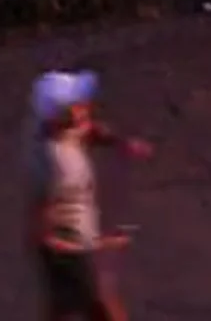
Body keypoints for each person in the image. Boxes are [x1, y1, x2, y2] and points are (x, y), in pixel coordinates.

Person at [25, 69, 153, 320]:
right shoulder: (53, 164)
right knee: (102, 308)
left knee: (65, 308)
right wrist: (93, 246)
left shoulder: (62, 129)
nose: (86, 106)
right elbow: (42, 224)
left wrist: (121, 143)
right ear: (61, 115)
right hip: (68, 250)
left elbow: (91, 130)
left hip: (73, 248)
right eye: (77, 105)